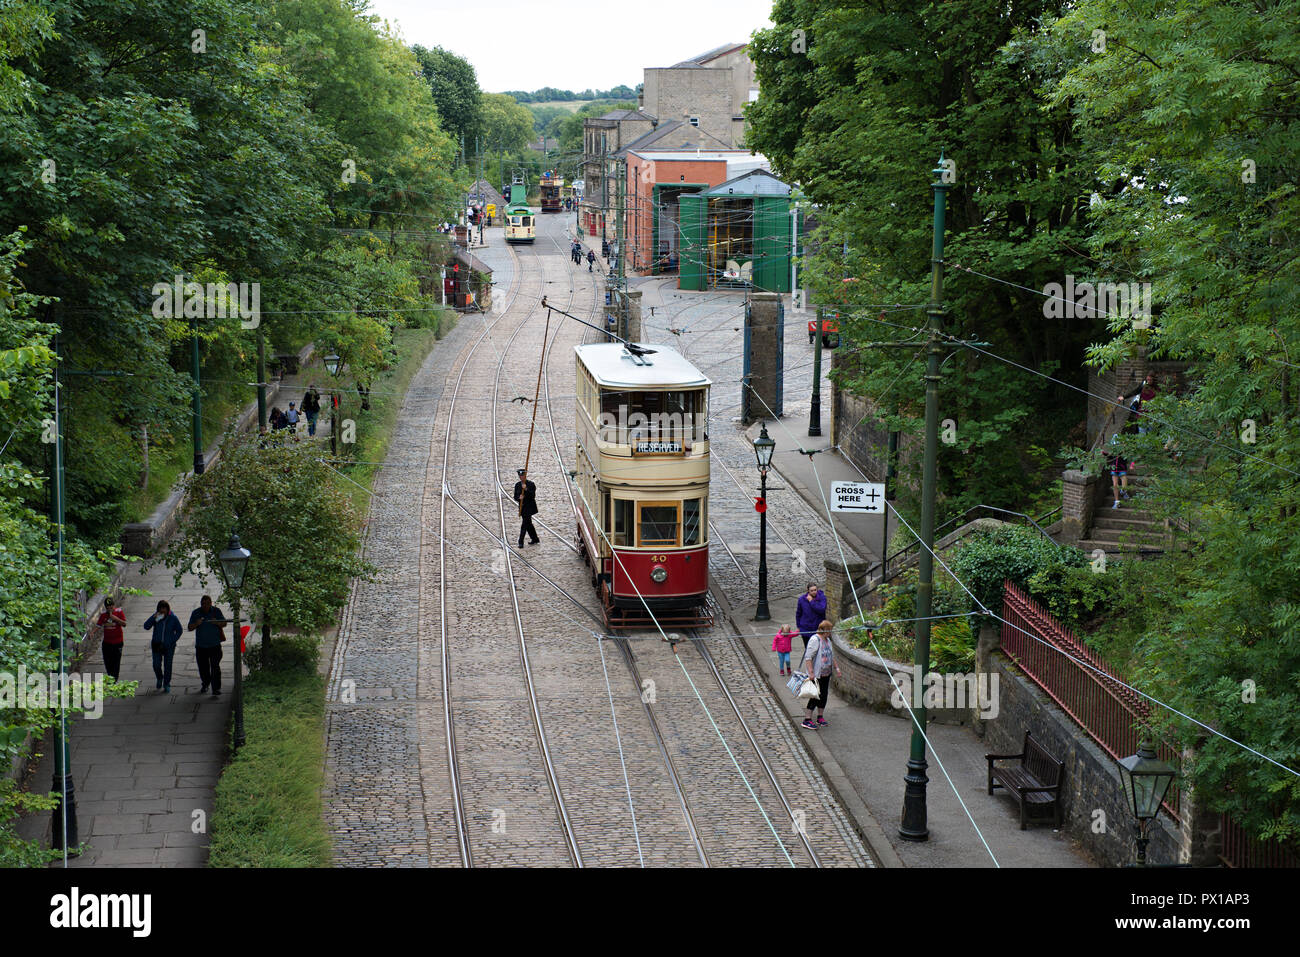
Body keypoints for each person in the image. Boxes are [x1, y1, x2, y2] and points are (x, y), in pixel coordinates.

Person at [800, 620, 842, 730]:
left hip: (826, 673)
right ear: (824, 630)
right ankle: (807, 719)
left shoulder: (828, 641)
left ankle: (820, 716)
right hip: (817, 674)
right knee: (815, 696)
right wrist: (811, 673)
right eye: (829, 631)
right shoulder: (815, 640)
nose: (830, 633)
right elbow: (808, 657)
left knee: (824, 695)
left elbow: (831, 656)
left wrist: (837, 668)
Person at [188, 595, 228, 697]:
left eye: (207, 604)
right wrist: (197, 624)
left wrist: (217, 622)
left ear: (211, 603)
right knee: (203, 668)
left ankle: (216, 689)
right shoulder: (196, 613)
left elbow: (224, 623)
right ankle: (205, 683)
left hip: (215, 645)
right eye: (203, 604)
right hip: (201, 647)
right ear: (201, 604)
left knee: (215, 667)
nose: (205, 606)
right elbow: (190, 627)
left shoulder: (216, 611)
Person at [143, 600, 183, 693]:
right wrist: (153, 617)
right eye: (161, 609)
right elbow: (146, 626)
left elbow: (179, 630)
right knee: (156, 664)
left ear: (167, 609)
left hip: (169, 646)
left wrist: (172, 641)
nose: (163, 611)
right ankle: (159, 678)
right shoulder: (157, 617)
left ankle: (166, 683)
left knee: (168, 666)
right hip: (156, 645)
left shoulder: (173, 618)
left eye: (164, 608)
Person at [96, 597, 127, 681]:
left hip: (117, 642)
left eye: (111, 607)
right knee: (107, 661)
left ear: (114, 605)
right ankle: (110, 676)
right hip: (107, 642)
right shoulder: (103, 615)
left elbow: (124, 624)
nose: (110, 609)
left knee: (116, 661)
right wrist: (92, 633)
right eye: (108, 608)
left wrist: (114, 618)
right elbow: (98, 625)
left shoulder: (119, 612)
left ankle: (114, 678)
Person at [796, 583, 827, 649]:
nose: (814, 592)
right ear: (808, 591)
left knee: (818, 649)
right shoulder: (801, 599)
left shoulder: (822, 598)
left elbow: (821, 610)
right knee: (808, 649)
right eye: (812, 590)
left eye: (815, 590)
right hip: (805, 628)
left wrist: (811, 601)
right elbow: (798, 613)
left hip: (818, 628)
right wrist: (799, 626)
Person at [513, 468, 540, 547]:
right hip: (522, 508)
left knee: (524, 524)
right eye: (520, 476)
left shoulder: (531, 484)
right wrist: (519, 498)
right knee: (528, 524)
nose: (521, 477)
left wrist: (526, 489)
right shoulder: (517, 485)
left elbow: (532, 496)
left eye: (523, 475)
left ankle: (520, 541)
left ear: (525, 475)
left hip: (530, 507)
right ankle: (535, 538)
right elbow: (515, 496)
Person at [1107, 429, 1130, 509]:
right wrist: (1104, 453)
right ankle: (1117, 502)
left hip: (1122, 468)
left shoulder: (1124, 450)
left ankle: (1124, 491)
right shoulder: (1113, 451)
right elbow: (1110, 457)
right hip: (1114, 469)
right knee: (1115, 485)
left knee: (1124, 479)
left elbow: (1127, 458)